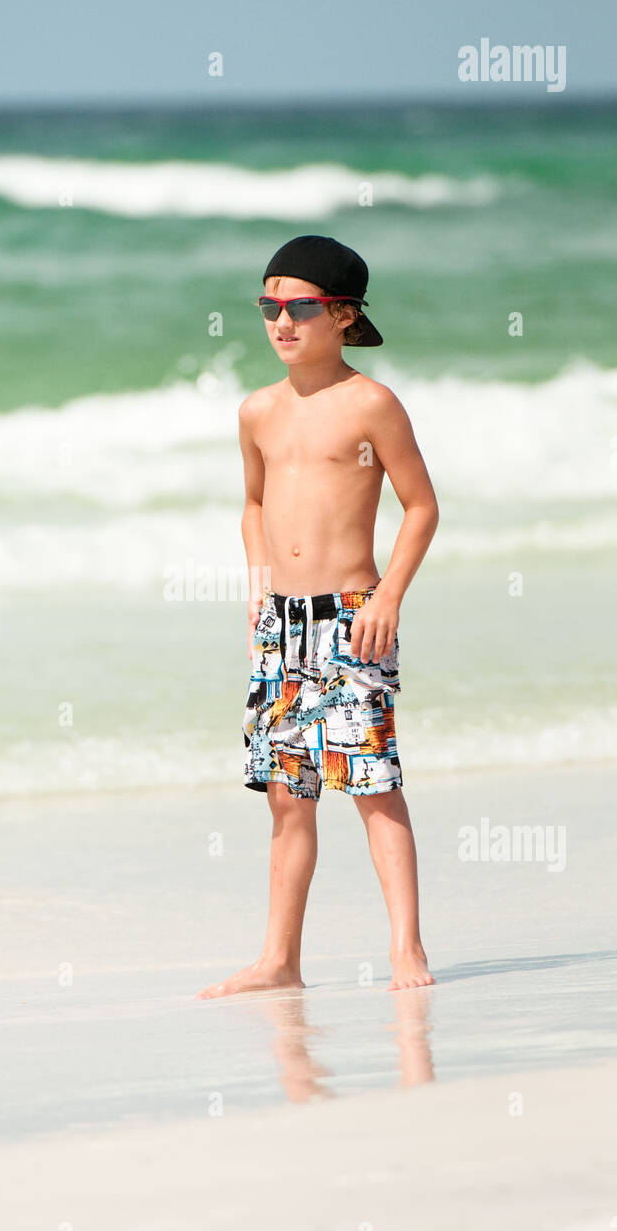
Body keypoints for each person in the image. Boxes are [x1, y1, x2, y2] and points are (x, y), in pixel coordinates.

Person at [197, 235, 439, 998]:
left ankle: (405, 949)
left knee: (369, 783)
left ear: (341, 315)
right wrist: (257, 590)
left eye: (299, 307)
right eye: (269, 307)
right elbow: (254, 505)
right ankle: (279, 960)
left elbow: (422, 508)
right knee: (285, 794)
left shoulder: (370, 404)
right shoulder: (257, 412)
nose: (280, 322)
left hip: (351, 618)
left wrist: (389, 597)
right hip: (281, 624)